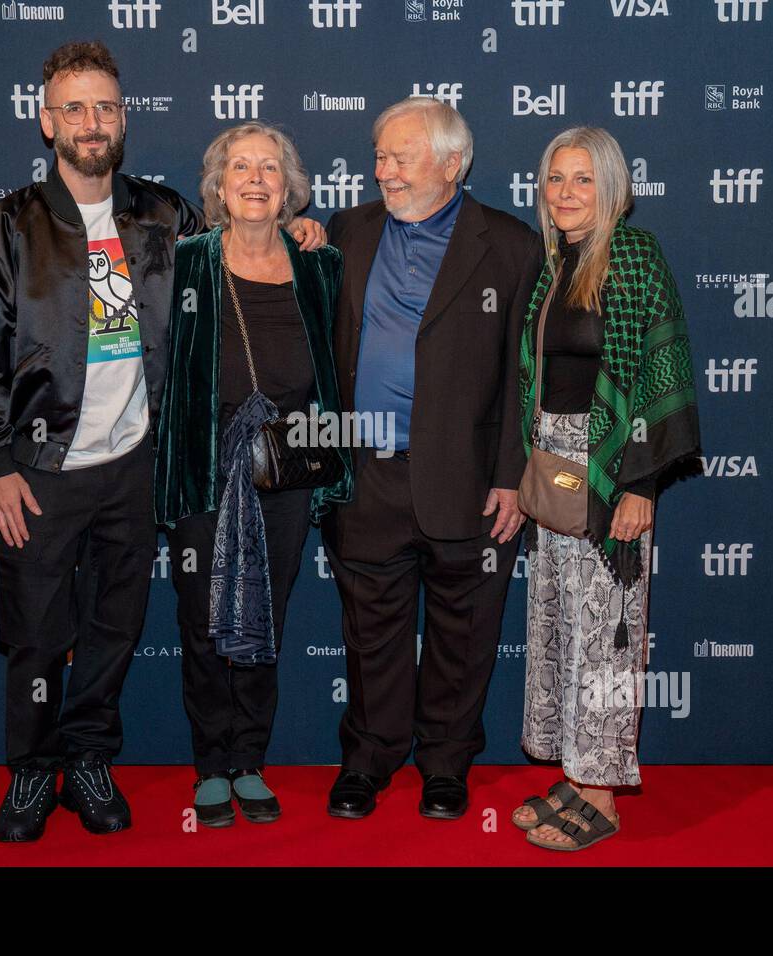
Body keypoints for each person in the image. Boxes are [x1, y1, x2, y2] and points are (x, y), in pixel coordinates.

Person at [0, 41, 323, 843]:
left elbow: (237, 252)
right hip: (44, 470)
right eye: (74, 108)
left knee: (115, 630)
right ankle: (32, 774)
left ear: (123, 119)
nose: (92, 123)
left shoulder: (162, 214)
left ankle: (88, 760)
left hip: (140, 468)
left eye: (105, 107)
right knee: (40, 633)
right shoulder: (10, 224)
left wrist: (300, 232)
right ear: (47, 121)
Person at [321, 97, 544, 820]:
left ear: (452, 163)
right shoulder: (347, 231)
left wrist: (512, 476)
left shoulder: (511, 246)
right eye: (379, 156)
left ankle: (446, 765)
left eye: (398, 157)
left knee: (465, 630)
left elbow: (525, 376)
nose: (381, 170)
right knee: (371, 631)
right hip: (369, 476)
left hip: (470, 480)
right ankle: (369, 760)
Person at [510, 126, 701, 851]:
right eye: (556, 178)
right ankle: (575, 768)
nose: (565, 192)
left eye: (582, 179)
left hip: (612, 466)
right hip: (556, 466)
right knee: (562, 627)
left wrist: (640, 484)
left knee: (609, 639)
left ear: (613, 187)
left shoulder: (635, 258)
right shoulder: (556, 259)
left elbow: (661, 370)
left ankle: (605, 795)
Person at [154, 123, 351, 827]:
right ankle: (211, 763)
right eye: (241, 167)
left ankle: (249, 761)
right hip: (206, 465)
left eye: (270, 167)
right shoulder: (185, 261)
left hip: (289, 467)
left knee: (265, 615)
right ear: (219, 187)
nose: (256, 178)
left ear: (290, 188)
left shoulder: (319, 265)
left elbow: (336, 369)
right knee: (204, 619)